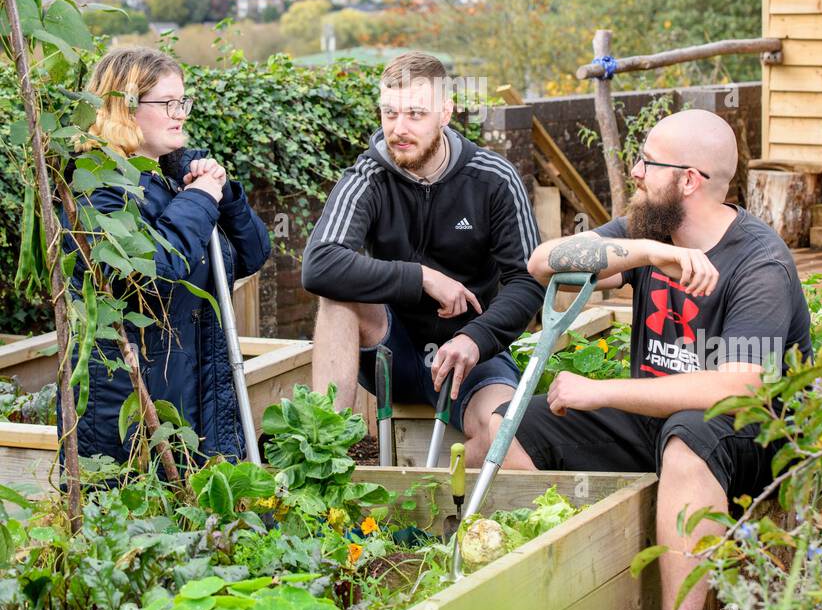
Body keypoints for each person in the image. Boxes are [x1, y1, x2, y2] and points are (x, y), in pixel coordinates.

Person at [493, 108, 812, 610]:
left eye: (648, 162)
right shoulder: (650, 233)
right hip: (659, 420)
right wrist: (642, 253)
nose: (635, 172)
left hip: (752, 435)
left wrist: (603, 391)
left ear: (689, 179)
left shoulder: (760, 263)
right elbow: (543, 263)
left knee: (691, 435)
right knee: (510, 431)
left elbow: (738, 388)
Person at [301, 52, 544, 465]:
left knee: (509, 433)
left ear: (446, 112)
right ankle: (323, 457)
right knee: (336, 298)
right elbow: (319, 263)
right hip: (390, 351)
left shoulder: (493, 179)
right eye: (389, 113)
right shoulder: (367, 177)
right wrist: (421, 278)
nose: (399, 129)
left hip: (470, 356)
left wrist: (476, 338)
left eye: (415, 113)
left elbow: (528, 282)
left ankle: (411, 500)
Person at [59, 45, 271, 466]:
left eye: (183, 101)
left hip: (197, 395)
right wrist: (200, 199)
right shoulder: (93, 188)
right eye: (168, 103)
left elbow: (251, 254)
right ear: (124, 107)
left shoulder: (172, 180)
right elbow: (154, 270)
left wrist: (223, 195)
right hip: (132, 409)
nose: (181, 113)